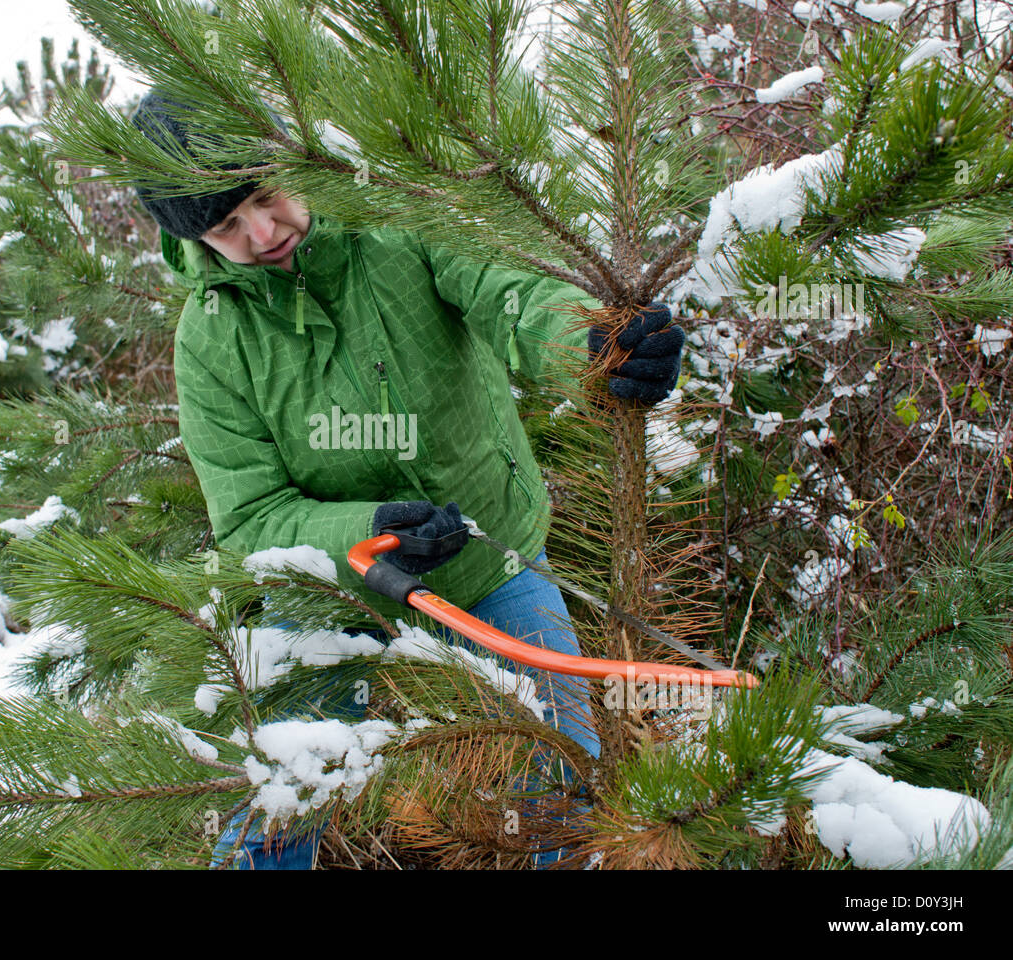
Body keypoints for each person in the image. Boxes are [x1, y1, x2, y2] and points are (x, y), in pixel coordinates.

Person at [131, 88, 685, 868]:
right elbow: (251, 517)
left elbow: (511, 294)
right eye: (228, 226)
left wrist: (594, 347)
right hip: (335, 584)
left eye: (266, 196)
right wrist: (371, 532)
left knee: (562, 773)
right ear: (194, 240)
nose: (264, 233)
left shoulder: (399, 219)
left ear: (292, 161)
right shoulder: (210, 338)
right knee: (285, 796)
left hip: (491, 561)